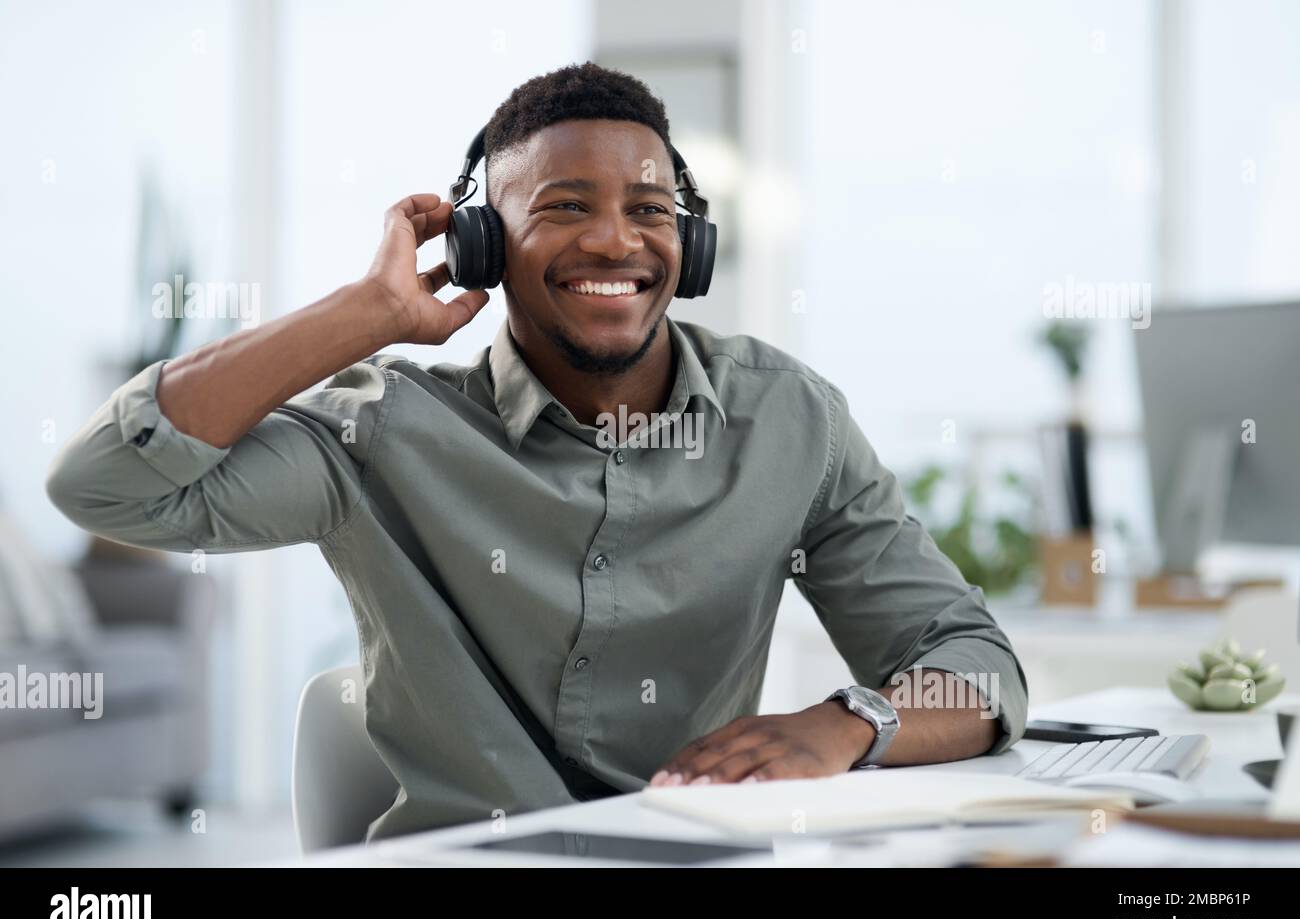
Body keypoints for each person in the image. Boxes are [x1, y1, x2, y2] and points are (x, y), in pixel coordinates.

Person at [46, 61, 1028, 842]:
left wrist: (849, 724)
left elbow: (977, 669)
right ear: (481, 246)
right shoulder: (380, 432)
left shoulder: (789, 423)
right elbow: (107, 485)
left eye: (648, 209)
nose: (615, 241)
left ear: (688, 245)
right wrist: (365, 314)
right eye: (564, 206)